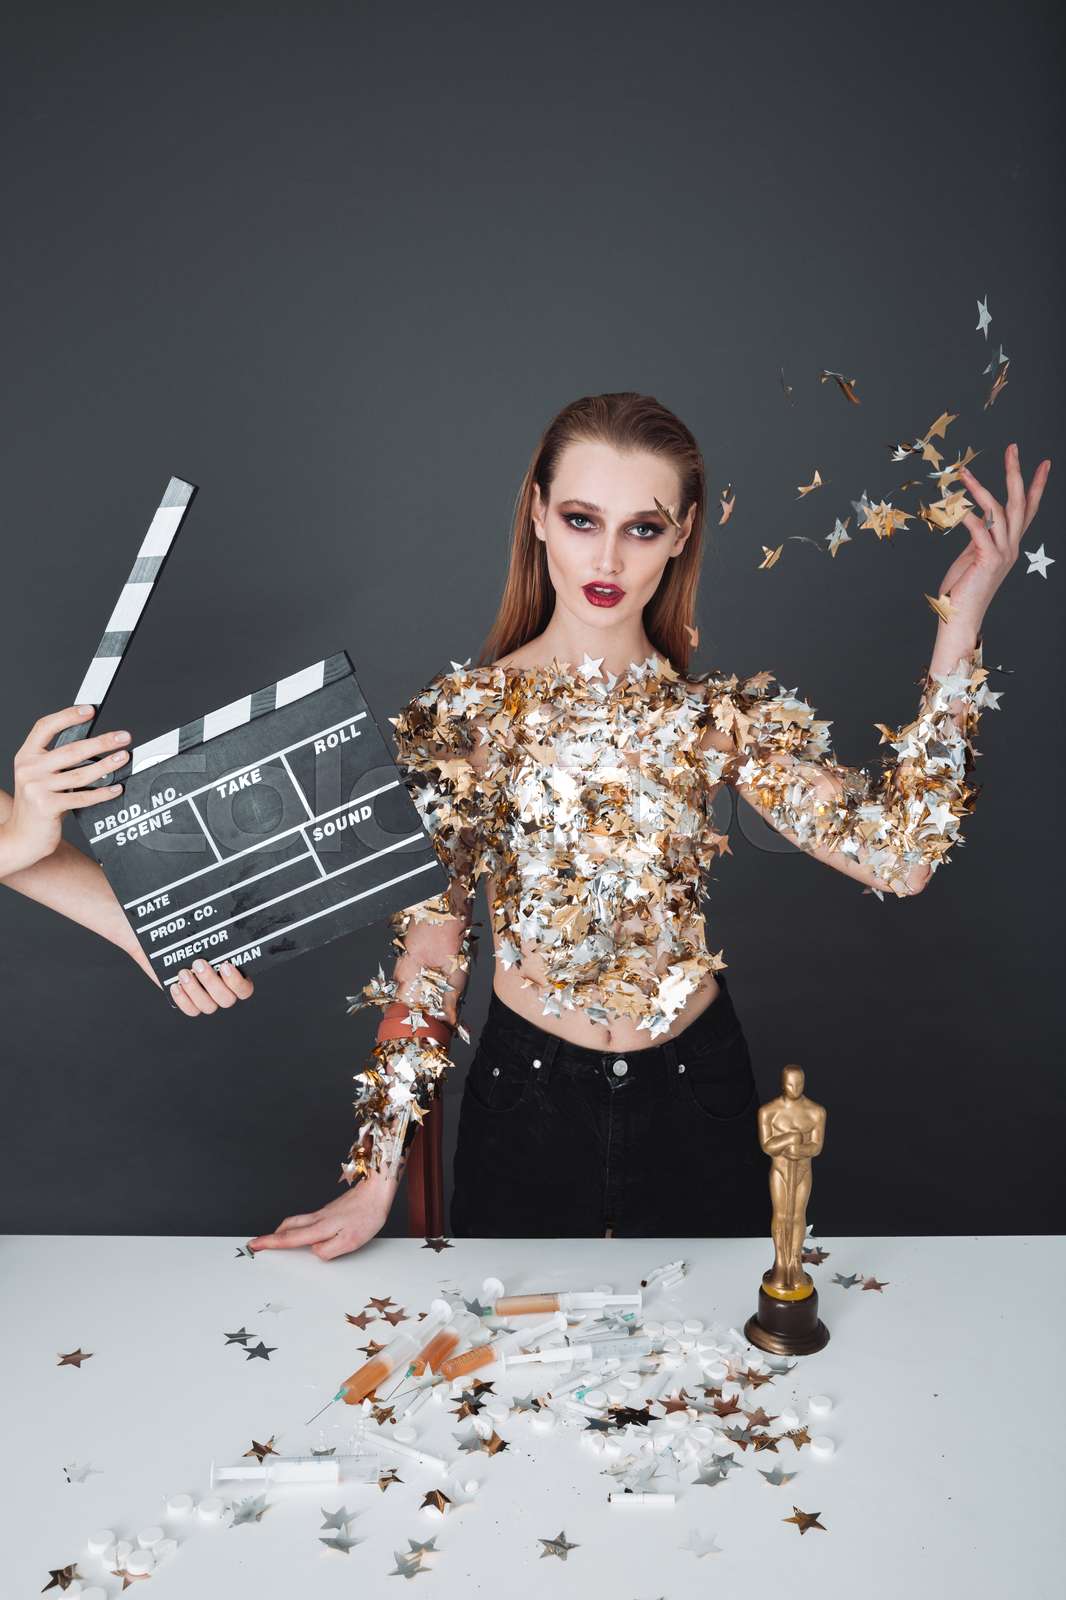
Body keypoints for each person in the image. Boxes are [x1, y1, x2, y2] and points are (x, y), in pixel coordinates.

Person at [2, 392, 1049, 1255]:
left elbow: (902, 858)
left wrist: (958, 629)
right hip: (527, 1103)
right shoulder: (460, 724)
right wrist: (374, 1180)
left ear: (680, 535)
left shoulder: (716, 717)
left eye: (643, 526)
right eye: (583, 518)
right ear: (538, 513)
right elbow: (429, 952)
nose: (610, 554)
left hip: (698, 1097)